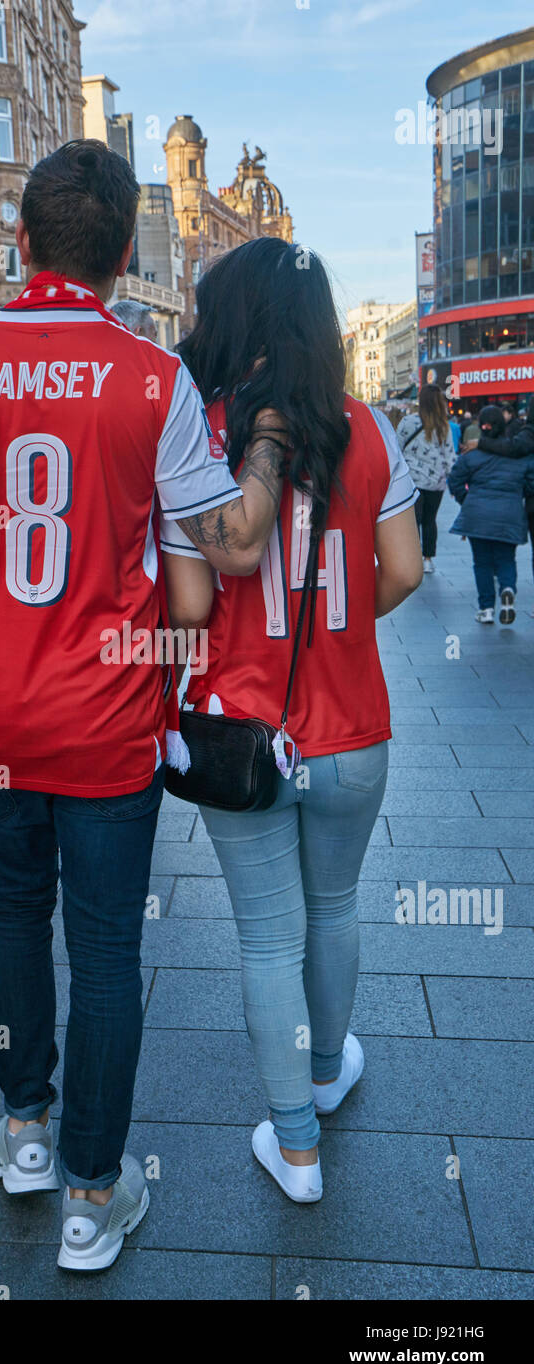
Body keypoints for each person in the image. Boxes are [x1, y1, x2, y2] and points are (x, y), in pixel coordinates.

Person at [0, 139, 292, 1271]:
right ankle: (94, 1195)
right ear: (116, 257)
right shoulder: (154, 381)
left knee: (16, 915)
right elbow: (219, 562)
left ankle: (21, 1129)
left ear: (19, 245)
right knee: (104, 950)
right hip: (107, 725)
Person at [162, 237, 422, 1203]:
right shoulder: (368, 428)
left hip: (240, 731)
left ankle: (296, 1146)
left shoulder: (201, 431)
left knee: (267, 938)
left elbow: (191, 603)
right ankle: (327, 1071)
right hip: (354, 727)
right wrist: (342, 636)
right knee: (335, 912)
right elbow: (403, 571)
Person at [448, 403, 534, 625]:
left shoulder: (471, 456)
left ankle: (486, 608)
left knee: (482, 562)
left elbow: (455, 480)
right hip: (509, 515)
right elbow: (530, 483)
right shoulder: (517, 455)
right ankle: (507, 590)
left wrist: (467, 501)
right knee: (506, 559)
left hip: (477, 516)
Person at [397, 384, 456, 574]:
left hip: (411, 481)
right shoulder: (443, 426)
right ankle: (428, 559)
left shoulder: (407, 421)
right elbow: (449, 456)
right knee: (430, 520)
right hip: (435, 482)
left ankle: (412, 558)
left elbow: (396, 448)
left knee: (413, 521)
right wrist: (452, 480)